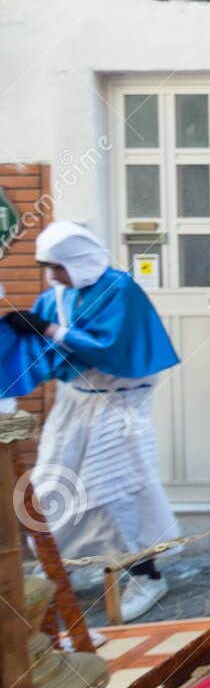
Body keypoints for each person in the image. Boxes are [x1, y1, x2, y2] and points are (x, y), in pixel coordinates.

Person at [0, 222, 181, 620]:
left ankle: (146, 575)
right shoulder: (55, 298)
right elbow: (44, 353)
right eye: (47, 267)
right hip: (73, 406)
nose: (52, 276)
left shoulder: (120, 290)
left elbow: (113, 349)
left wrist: (49, 328)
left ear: (78, 260)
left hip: (119, 407)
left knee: (118, 490)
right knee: (52, 486)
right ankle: (67, 570)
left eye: (57, 266)